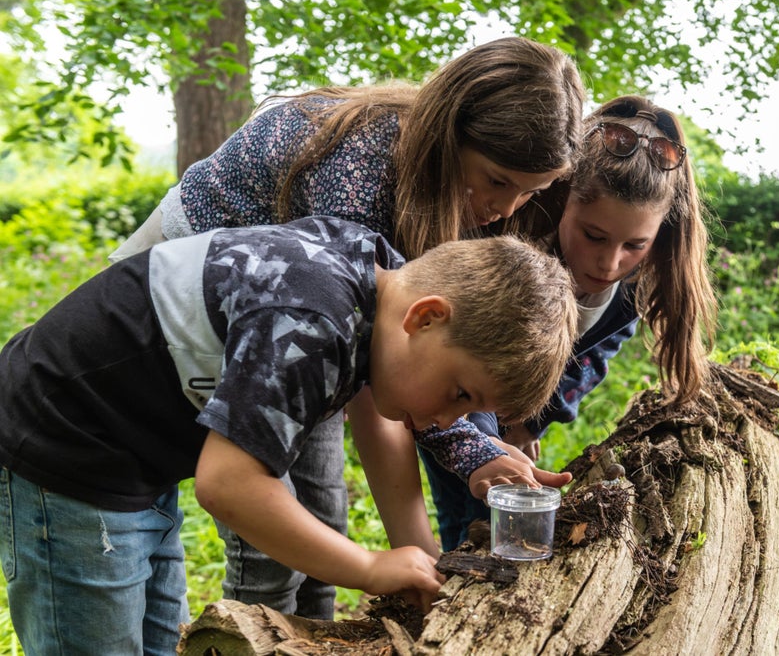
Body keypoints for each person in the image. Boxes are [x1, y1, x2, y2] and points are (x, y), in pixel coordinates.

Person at [109, 36, 587, 618]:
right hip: (179, 314)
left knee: (321, 510)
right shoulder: (361, 173)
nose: (505, 208)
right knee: (273, 523)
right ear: (451, 132)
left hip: (288, 329)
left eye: (528, 193)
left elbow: (422, 357)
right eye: (497, 180)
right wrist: (415, 553)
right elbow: (376, 387)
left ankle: (311, 631)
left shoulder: (453, 194)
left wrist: (473, 449)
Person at [0, 216, 578, 655]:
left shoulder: (376, 280)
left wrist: (421, 552)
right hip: (67, 449)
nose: (454, 420)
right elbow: (230, 485)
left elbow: (377, 415)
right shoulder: (310, 318)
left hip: (135, 455)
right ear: (425, 318)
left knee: (154, 637)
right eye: (460, 394)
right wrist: (369, 567)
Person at [420, 95, 719, 550]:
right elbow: (454, 355)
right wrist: (483, 443)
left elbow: (593, 354)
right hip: (458, 392)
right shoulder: (507, 240)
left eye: (634, 245)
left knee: (497, 494)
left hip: (517, 400)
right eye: (593, 235)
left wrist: (530, 423)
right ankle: (457, 575)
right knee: (474, 501)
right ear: (564, 198)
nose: (609, 261)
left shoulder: (640, 278)